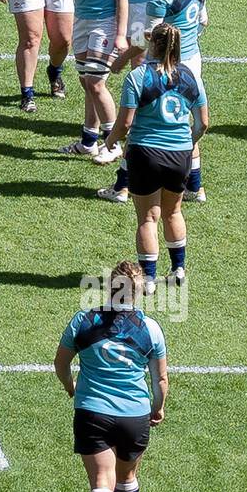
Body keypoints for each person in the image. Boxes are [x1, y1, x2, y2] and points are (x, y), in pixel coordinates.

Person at [54, 260, 167, 492]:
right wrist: (157, 407)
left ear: (109, 287)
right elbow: (160, 380)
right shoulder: (151, 329)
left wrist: (71, 388)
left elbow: (60, 363)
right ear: (140, 291)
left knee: (102, 482)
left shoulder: (83, 320)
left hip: (93, 412)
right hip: (135, 416)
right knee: (127, 477)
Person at [101, 23, 209, 294]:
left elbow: (125, 123)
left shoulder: (138, 76)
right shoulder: (191, 77)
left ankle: (148, 280)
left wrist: (111, 141)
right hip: (180, 155)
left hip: (145, 154)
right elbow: (203, 123)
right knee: (173, 212)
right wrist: (188, 143)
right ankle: (178, 270)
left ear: (153, 45)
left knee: (148, 218)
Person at [101, 0, 208, 204]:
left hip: (164, 64)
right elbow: (203, 22)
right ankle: (195, 187)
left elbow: (152, 33)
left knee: (140, 125)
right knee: (182, 124)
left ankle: (122, 187)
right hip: (192, 62)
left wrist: (124, 57)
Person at [56, 0, 128, 158]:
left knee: (97, 83)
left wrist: (121, 35)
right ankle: (88, 140)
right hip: (82, 21)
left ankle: (113, 142)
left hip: (105, 23)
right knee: (86, 82)